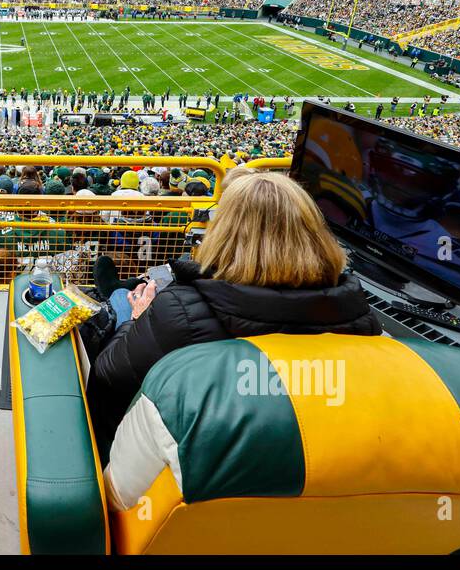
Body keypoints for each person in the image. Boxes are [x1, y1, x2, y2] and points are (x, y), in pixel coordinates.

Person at [85, 171, 380, 455]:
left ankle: (116, 292)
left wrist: (138, 318)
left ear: (226, 234)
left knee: (124, 298)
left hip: (187, 455)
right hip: (304, 455)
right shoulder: (359, 315)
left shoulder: (180, 311)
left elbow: (107, 374)